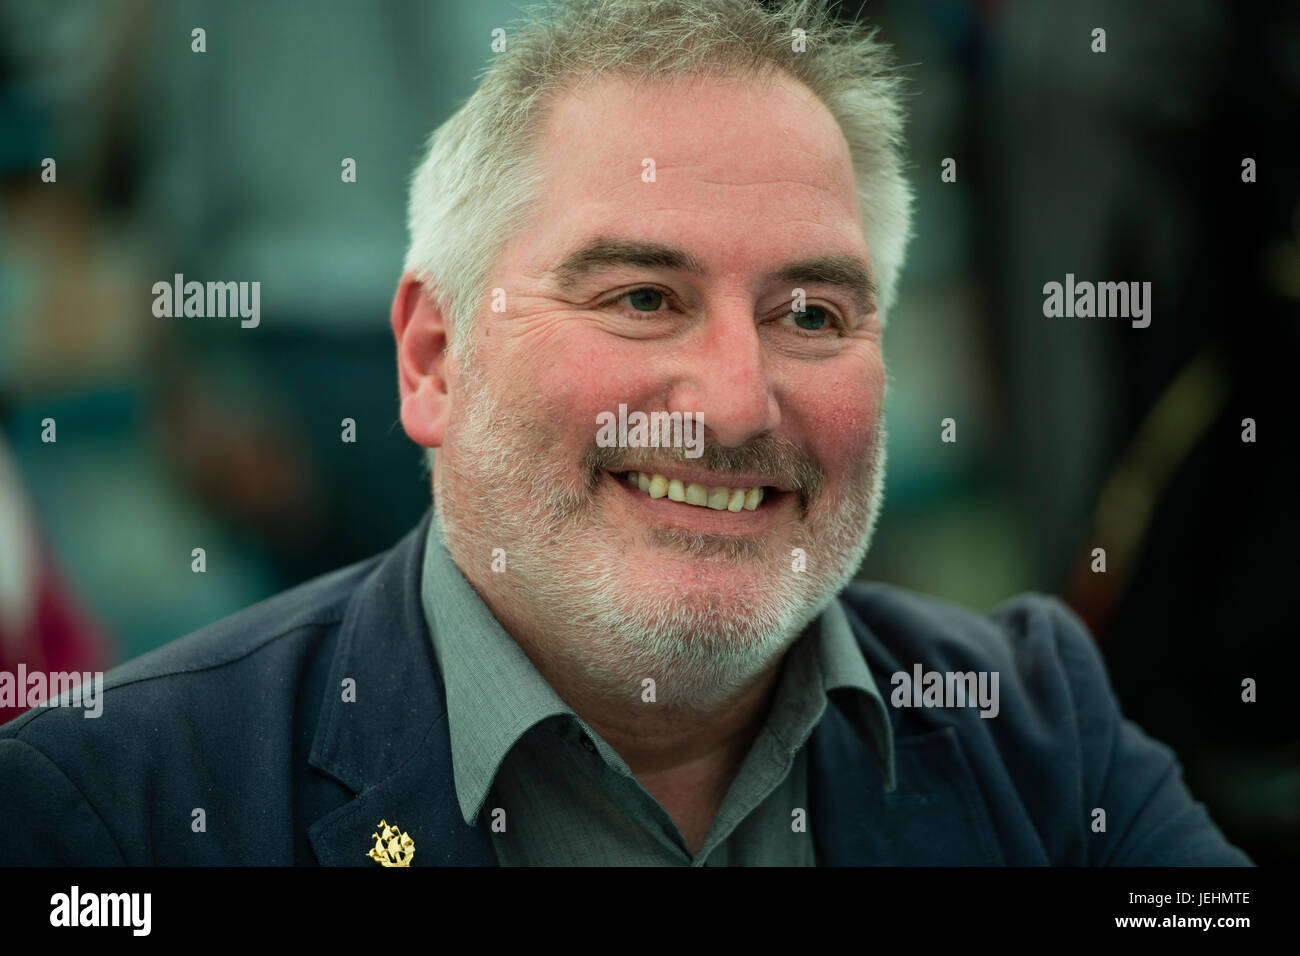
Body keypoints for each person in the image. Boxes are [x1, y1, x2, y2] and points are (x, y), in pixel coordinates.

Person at [0, 0, 1250, 866]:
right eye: (641, 298)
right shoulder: (118, 805)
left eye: (811, 311)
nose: (735, 399)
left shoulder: (1039, 738)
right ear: (434, 358)